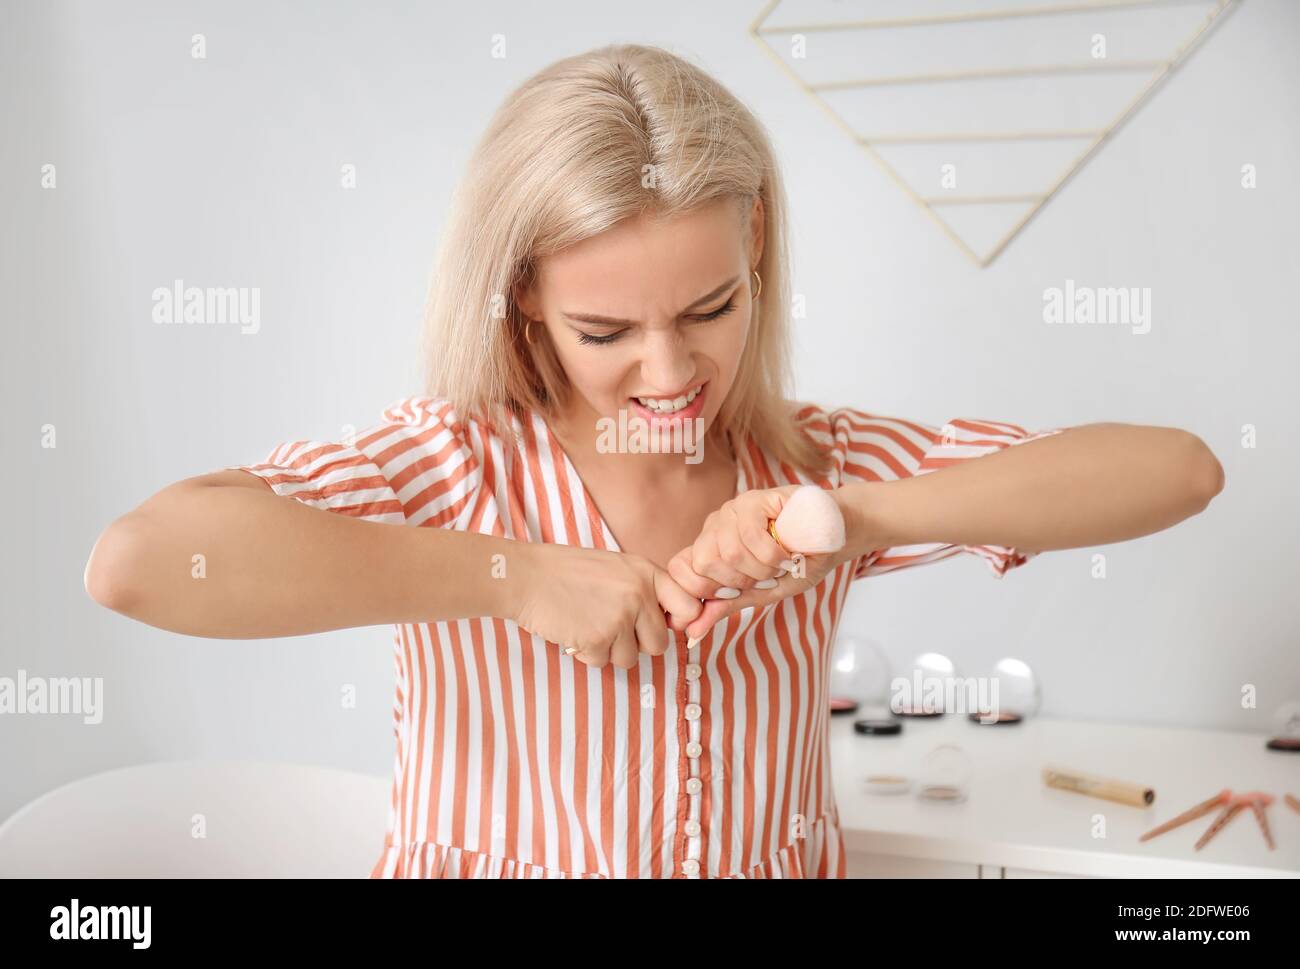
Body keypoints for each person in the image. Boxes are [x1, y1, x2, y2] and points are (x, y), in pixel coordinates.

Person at [83, 44, 1224, 879]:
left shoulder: (809, 462)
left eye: (711, 307)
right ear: (522, 294)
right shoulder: (451, 466)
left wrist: (850, 522)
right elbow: (137, 563)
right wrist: (513, 579)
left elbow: (1176, 471)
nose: (671, 373)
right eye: (606, 332)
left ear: (757, 244)